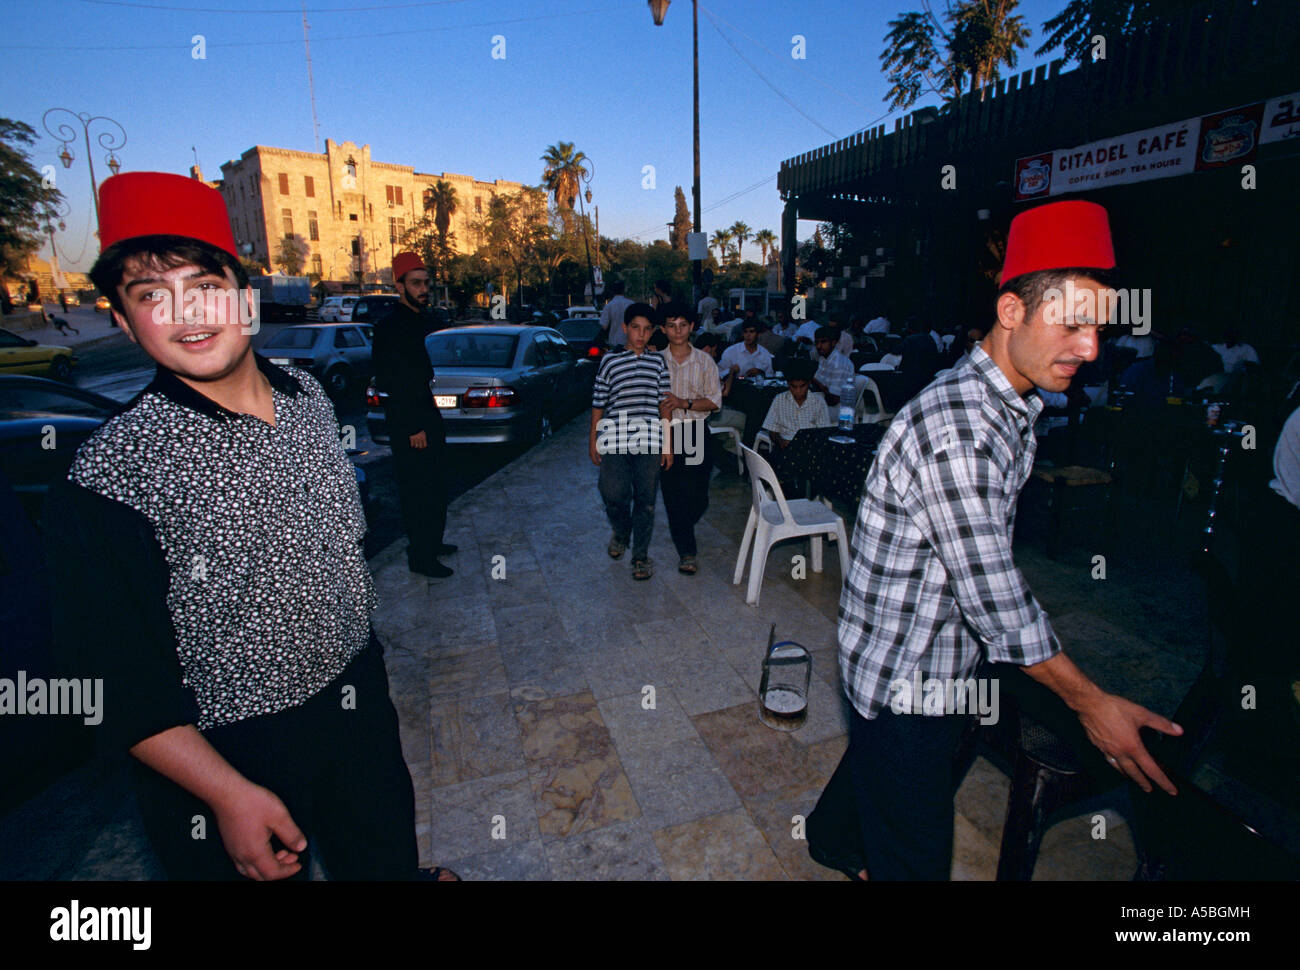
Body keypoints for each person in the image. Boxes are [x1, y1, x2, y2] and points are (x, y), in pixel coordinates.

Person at [44, 171, 457, 882]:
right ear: (121, 319)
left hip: (357, 699)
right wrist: (226, 794)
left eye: (202, 284)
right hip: (229, 753)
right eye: (150, 295)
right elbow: (119, 681)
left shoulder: (308, 398)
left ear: (243, 294)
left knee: (385, 858)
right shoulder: (112, 470)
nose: (185, 314)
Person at [811, 199, 1182, 882]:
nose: (1091, 348)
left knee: (889, 768)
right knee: (914, 843)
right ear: (1011, 311)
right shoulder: (960, 429)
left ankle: (837, 842)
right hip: (906, 678)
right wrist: (1092, 702)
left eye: (1099, 328)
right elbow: (1001, 607)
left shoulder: (1013, 403)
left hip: (942, 647)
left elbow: (977, 570)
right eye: (1071, 323)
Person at [371, 251, 456, 579]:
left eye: (426, 284)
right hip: (410, 421)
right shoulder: (390, 327)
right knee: (417, 490)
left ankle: (432, 543)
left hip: (427, 413)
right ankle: (421, 556)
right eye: (416, 283)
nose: (423, 290)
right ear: (399, 285)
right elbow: (392, 382)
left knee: (436, 484)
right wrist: (413, 427)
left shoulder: (421, 321)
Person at [590, 302, 672, 580]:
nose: (641, 334)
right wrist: (593, 440)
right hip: (614, 439)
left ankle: (640, 557)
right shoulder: (610, 361)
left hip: (649, 440)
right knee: (612, 494)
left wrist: (668, 444)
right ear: (625, 328)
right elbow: (599, 403)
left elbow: (665, 405)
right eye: (635, 328)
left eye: (647, 329)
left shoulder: (658, 362)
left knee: (646, 501)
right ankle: (621, 531)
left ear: (653, 333)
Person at [657, 303, 721, 574]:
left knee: (697, 496)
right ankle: (687, 552)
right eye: (671, 325)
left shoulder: (705, 361)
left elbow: (714, 402)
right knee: (673, 495)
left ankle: (683, 525)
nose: (678, 330)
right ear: (663, 329)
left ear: (692, 327)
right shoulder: (656, 361)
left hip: (695, 432)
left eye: (683, 324)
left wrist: (683, 402)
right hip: (667, 432)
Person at [760, 358, 831, 450]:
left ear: (809, 383)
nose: (798, 391)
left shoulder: (819, 402)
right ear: (788, 384)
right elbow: (772, 430)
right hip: (785, 446)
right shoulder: (779, 400)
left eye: (802, 386)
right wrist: (780, 441)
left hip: (810, 447)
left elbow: (823, 432)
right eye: (794, 386)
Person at [811, 325, 854, 407]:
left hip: (838, 409)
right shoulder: (823, 358)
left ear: (833, 343)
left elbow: (834, 400)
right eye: (817, 342)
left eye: (823, 342)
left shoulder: (840, 364)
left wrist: (813, 379)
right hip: (823, 402)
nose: (819, 346)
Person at [599, 279, 633, 350]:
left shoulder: (609, 306)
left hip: (614, 343)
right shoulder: (631, 304)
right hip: (630, 342)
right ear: (624, 290)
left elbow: (604, 326)